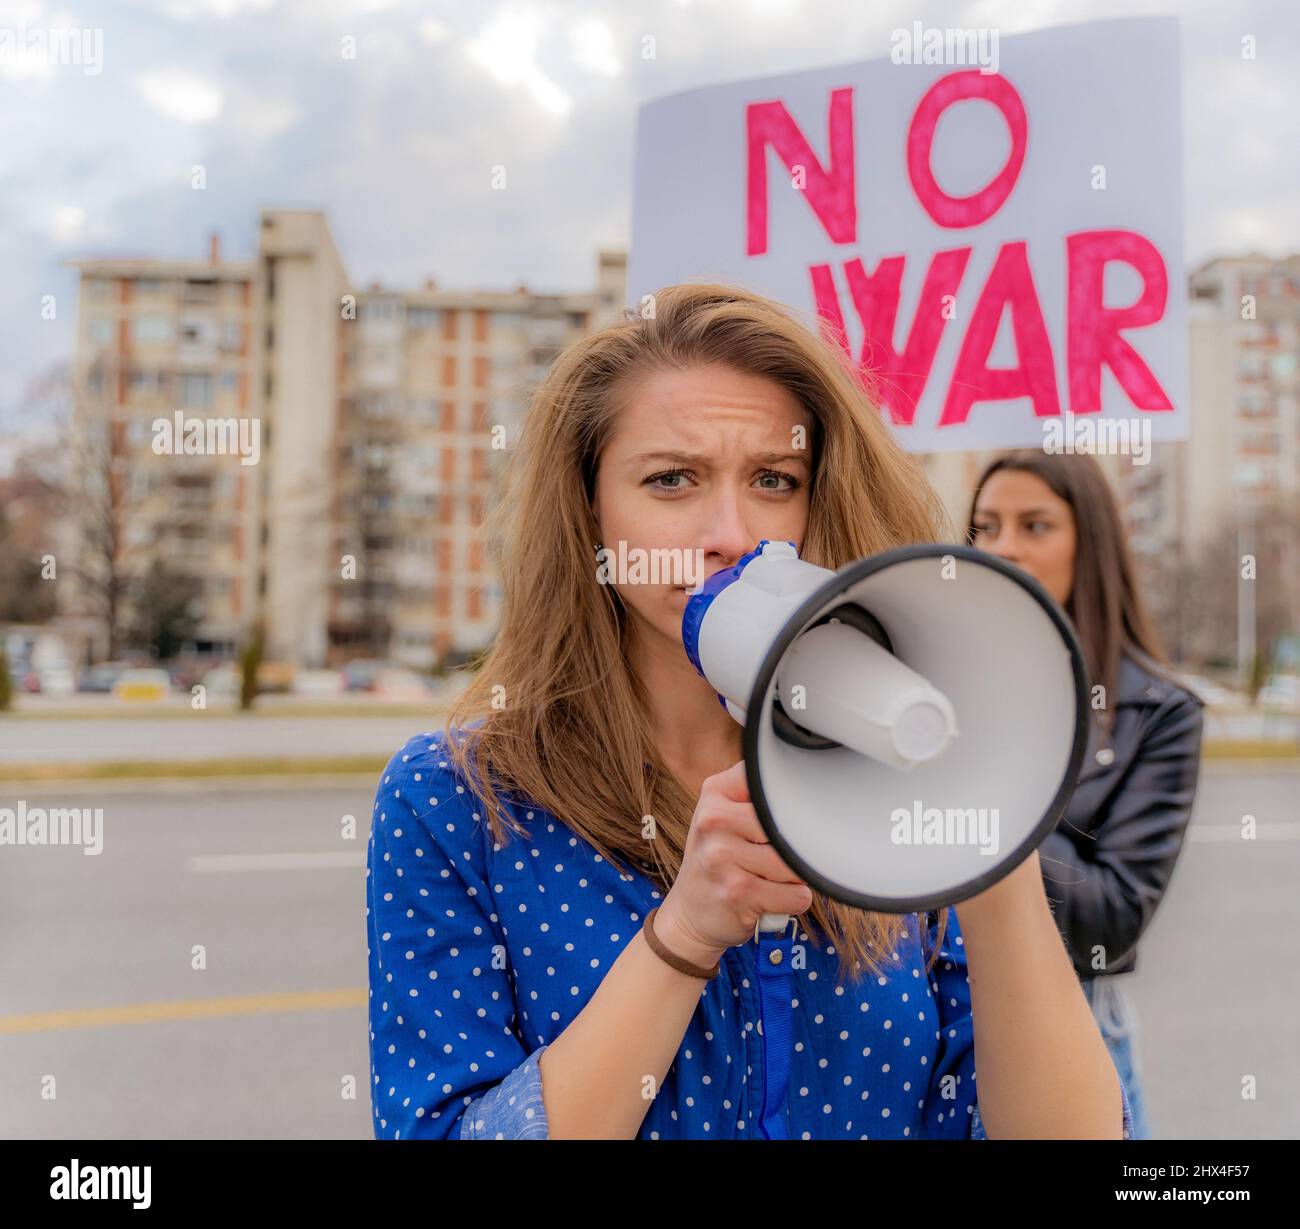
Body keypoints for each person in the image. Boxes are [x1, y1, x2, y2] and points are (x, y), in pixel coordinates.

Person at [365, 283, 1133, 1140]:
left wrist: (995, 850)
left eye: (775, 478)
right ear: (591, 512)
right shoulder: (457, 800)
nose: (729, 531)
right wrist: (682, 937)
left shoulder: (891, 783)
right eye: (671, 480)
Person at [968, 449, 1205, 1139]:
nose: (1003, 546)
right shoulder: (934, 675)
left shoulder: (1159, 712)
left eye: (1035, 525)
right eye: (985, 525)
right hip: (930, 1015)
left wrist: (981, 796)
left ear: (1089, 545)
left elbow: (1112, 918)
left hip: (1071, 1019)